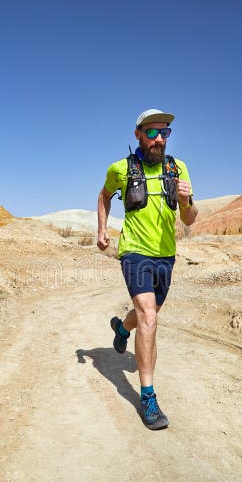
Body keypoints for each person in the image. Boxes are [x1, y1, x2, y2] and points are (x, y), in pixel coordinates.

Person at [96, 108, 197, 430]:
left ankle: (123, 329)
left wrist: (187, 200)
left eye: (164, 133)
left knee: (145, 316)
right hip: (134, 252)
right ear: (138, 134)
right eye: (152, 132)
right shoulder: (120, 169)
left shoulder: (178, 168)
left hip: (166, 255)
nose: (159, 139)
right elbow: (103, 197)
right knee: (149, 316)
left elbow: (190, 219)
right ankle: (148, 396)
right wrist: (102, 230)